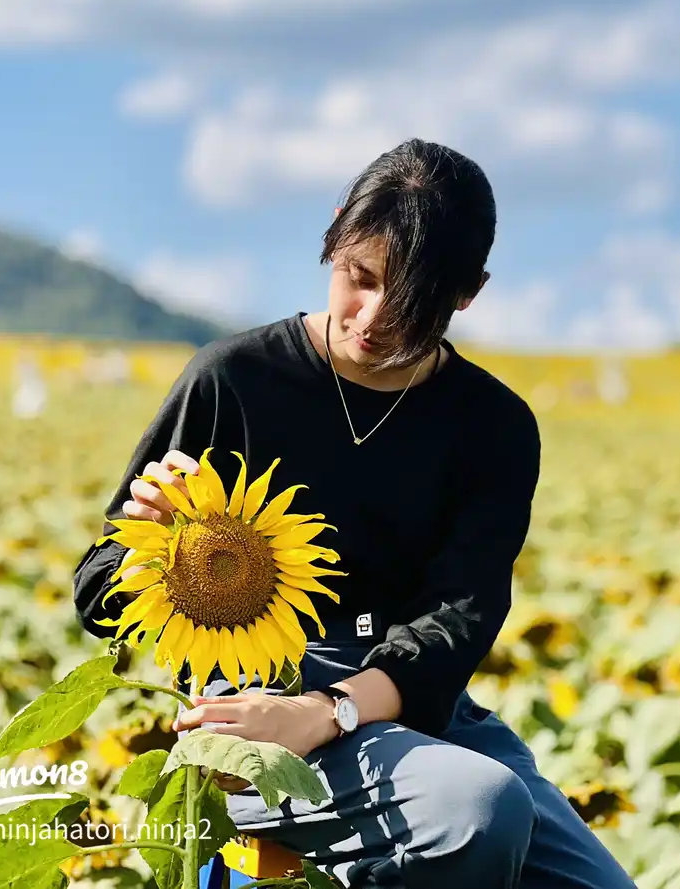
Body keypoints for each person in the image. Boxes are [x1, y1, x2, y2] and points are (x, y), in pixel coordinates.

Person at [73, 139, 636, 889]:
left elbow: (457, 619)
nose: (370, 318)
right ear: (336, 232)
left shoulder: (492, 425)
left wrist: (330, 710)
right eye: (358, 277)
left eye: (409, 304)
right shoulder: (236, 379)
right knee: (480, 808)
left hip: (409, 701)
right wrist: (150, 546)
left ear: (468, 292)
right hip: (248, 706)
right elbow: (99, 592)